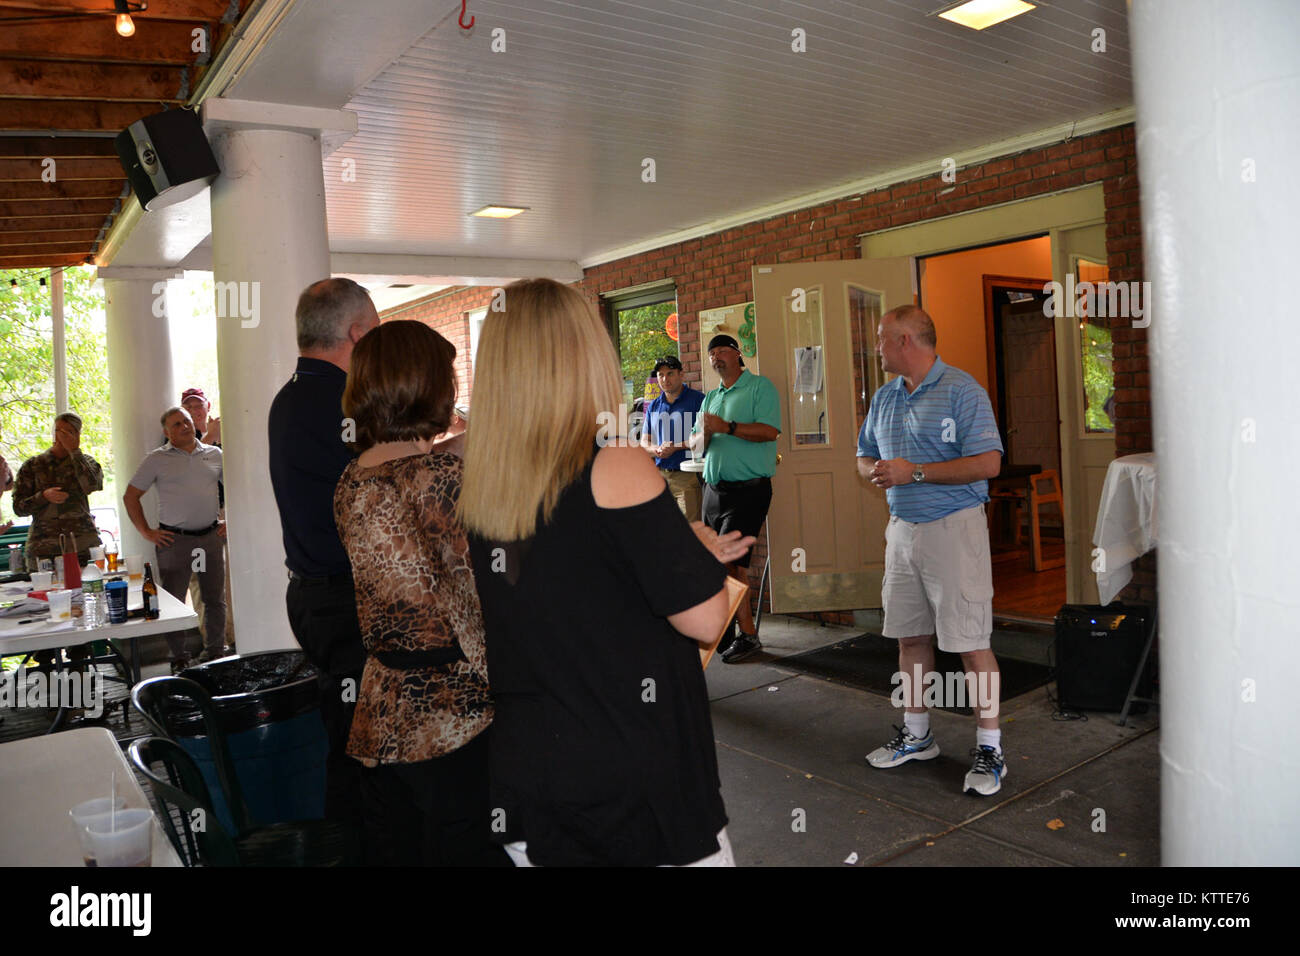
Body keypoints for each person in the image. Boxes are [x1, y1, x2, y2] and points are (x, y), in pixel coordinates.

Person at [460, 278, 753, 867]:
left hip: (532, 771)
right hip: (628, 770)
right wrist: (690, 550)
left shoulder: (486, 480)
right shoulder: (614, 461)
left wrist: (668, 548)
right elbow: (706, 618)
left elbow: (577, 581)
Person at [333, 320, 506, 866]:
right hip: (453, 713)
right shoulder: (440, 480)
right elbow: (477, 596)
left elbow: (413, 468)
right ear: (430, 387)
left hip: (383, 706)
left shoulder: (351, 478)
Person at [856, 305, 1007, 796]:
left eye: (881, 339)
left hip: (954, 530)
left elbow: (989, 462)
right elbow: (864, 456)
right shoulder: (884, 398)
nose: (875, 347)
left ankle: (990, 748)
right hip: (901, 532)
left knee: (970, 642)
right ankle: (917, 735)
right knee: (910, 638)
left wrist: (913, 471)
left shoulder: (963, 390)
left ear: (904, 340)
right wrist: (876, 472)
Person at [267, 277, 379, 830]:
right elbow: (396, 479)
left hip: (314, 593)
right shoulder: (336, 403)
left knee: (347, 733)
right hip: (342, 598)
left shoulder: (291, 396)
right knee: (364, 747)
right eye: (376, 334)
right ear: (356, 333)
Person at [689, 334, 781, 663]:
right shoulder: (710, 397)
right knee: (725, 565)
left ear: (738, 355)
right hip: (714, 491)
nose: (716, 357)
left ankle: (740, 633)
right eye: (712, 353)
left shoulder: (760, 387)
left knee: (728, 561)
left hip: (749, 491)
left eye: (723, 351)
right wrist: (707, 432)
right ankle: (736, 632)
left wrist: (727, 427)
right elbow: (696, 445)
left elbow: (769, 432)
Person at [123, 407, 226, 670]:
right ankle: (179, 657)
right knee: (173, 601)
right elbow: (130, 496)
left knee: (214, 599)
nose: (185, 426)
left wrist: (232, 520)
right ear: (167, 432)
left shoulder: (215, 455)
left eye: (187, 421)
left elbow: (238, 486)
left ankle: (215, 653)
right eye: (177, 424)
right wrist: (147, 532)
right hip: (175, 542)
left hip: (210, 538)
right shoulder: (157, 459)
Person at [12, 413, 103, 568]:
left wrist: (75, 452)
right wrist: (43, 496)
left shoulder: (86, 463)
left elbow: (92, 485)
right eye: (59, 431)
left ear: (78, 435)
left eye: (69, 432)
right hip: (44, 548)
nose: (62, 436)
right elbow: (19, 508)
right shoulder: (33, 465)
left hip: (81, 546)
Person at [641, 355, 705, 522]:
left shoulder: (698, 400)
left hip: (687, 478)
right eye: (661, 375)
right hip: (659, 478)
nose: (664, 379)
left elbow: (705, 437)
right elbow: (644, 442)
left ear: (681, 375)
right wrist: (656, 449)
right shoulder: (654, 405)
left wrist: (676, 447)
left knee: (690, 533)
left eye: (670, 373)